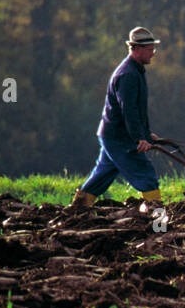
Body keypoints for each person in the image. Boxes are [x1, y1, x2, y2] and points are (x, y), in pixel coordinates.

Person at [70, 27, 164, 213]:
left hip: (113, 135)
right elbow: (128, 111)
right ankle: (158, 222)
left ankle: (77, 210)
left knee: (101, 176)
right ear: (136, 49)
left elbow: (137, 110)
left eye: (154, 49)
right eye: (149, 50)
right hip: (119, 138)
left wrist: (146, 133)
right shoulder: (127, 75)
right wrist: (140, 138)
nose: (153, 54)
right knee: (146, 175)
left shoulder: (136, 70)